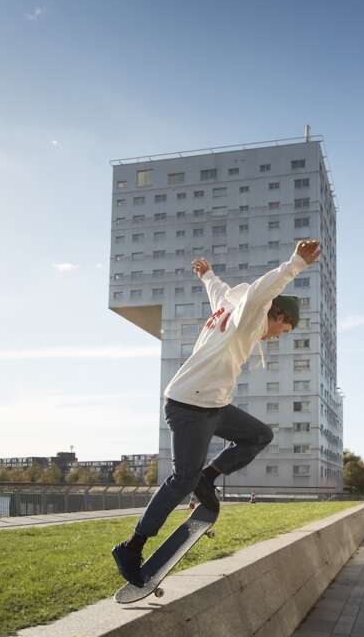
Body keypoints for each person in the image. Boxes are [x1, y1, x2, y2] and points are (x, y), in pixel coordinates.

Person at [112, 239, 322, 585]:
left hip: (213, 405)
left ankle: (208, 477)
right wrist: (295, 264)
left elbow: (220, 291)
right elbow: (257, 294)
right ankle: (131, 547)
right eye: (281, 331)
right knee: (181, 479)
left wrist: (207, 274)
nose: (274, 338)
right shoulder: (250, 316)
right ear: (279, 314)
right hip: (190, 407)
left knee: (258, 435)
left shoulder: (227, 306)